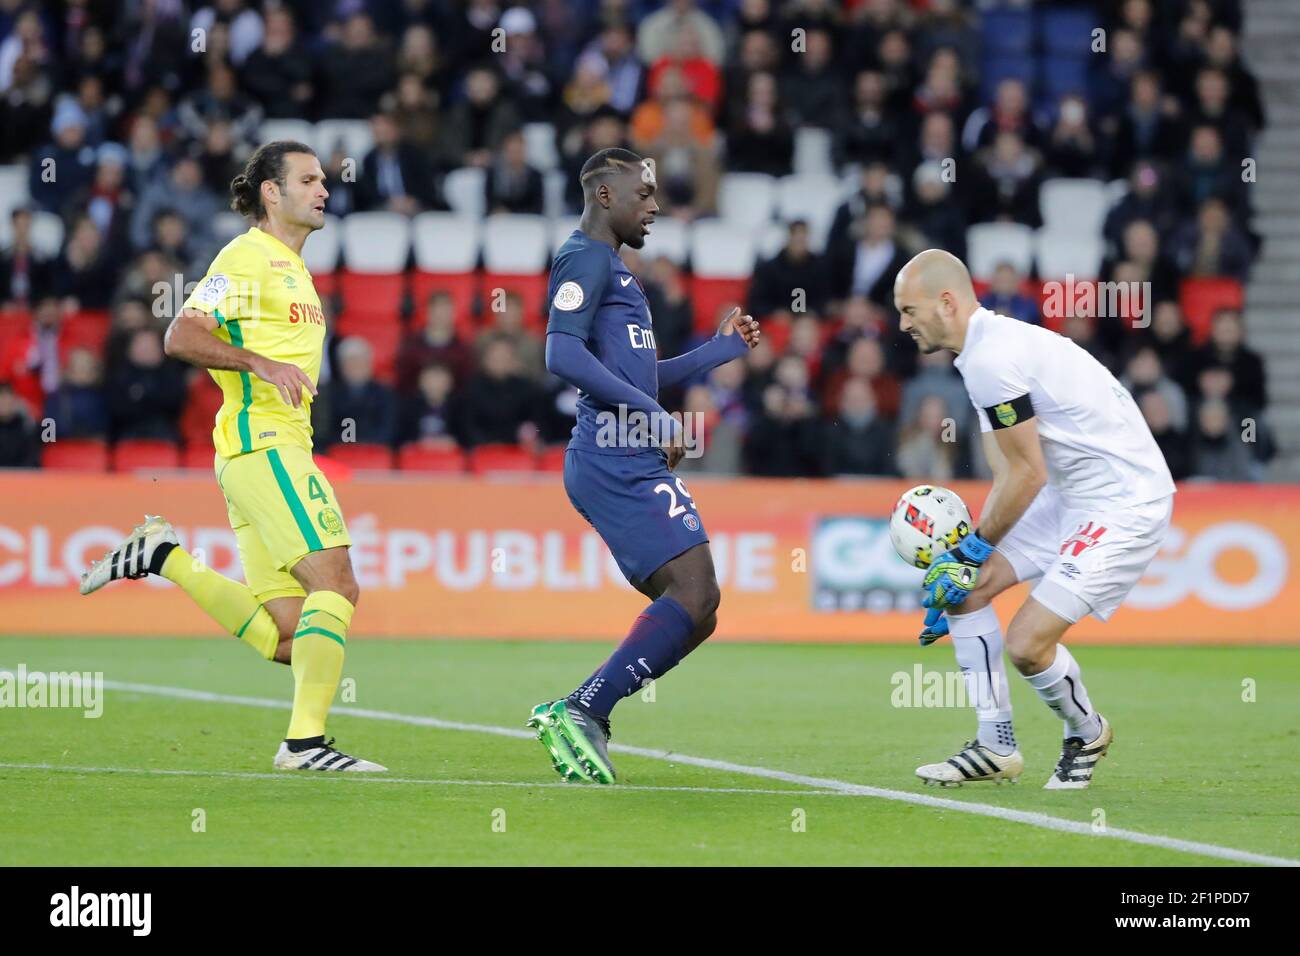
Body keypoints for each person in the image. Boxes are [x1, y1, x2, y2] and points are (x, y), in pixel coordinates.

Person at [79, 142, 384, 773]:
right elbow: (181, 333)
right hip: (263, 444)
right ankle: (305, 745)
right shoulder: (247, 256)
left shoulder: (294, 268)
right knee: (338, 584)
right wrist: (258, 361)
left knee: (290, 633)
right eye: (308, 179)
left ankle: (165, 557)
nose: (324, 189)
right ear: (272, 192)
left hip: (258, 453)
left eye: (324, 179)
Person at [895, 249, 1174, 789]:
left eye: (909, 310)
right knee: (967, 594)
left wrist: (970, 552)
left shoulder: (991, 361)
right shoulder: (984, 353)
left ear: (946, 302)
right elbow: (1010, 473)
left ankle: (1086, 731)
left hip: (1123, 501)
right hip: (1072, 493)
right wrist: (965, 568)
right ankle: (996, 747)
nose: (903, 324)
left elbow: (1027, 476)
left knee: (1026, 644)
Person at [528, 148, 760, 784]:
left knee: (700, 608)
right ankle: (583, 710)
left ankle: (587, 711)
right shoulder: (583, 258)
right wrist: (652, 416)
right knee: (695, 592)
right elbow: (562, 354)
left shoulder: (615, 270)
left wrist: (719, 351)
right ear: (606, 196)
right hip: (611, 455)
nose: (655, 207)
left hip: (630, 451)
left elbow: (637, 376)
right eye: (645, 195)